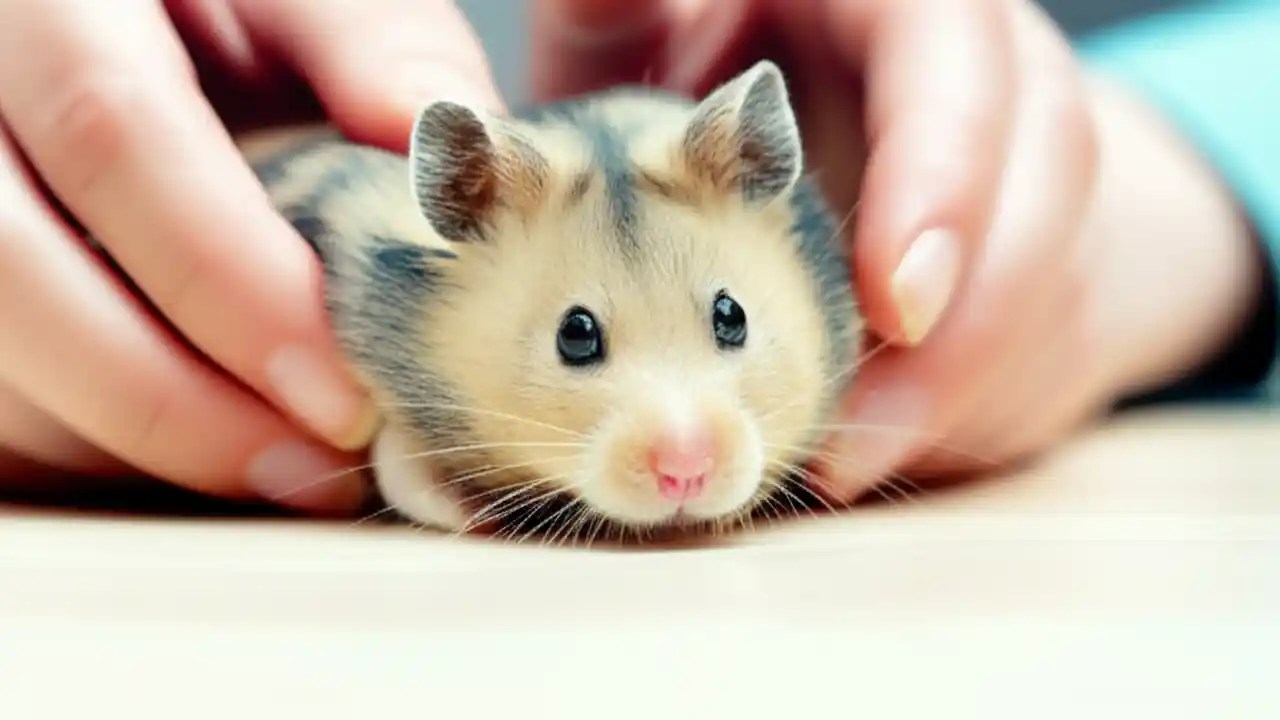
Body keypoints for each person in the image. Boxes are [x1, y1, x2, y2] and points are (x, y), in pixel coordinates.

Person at [0, 0, 1274, 513]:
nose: (683, 445)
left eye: (728, 326)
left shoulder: (779, 210)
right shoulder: (393, 275)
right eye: (581, 340)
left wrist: (1182, 167)